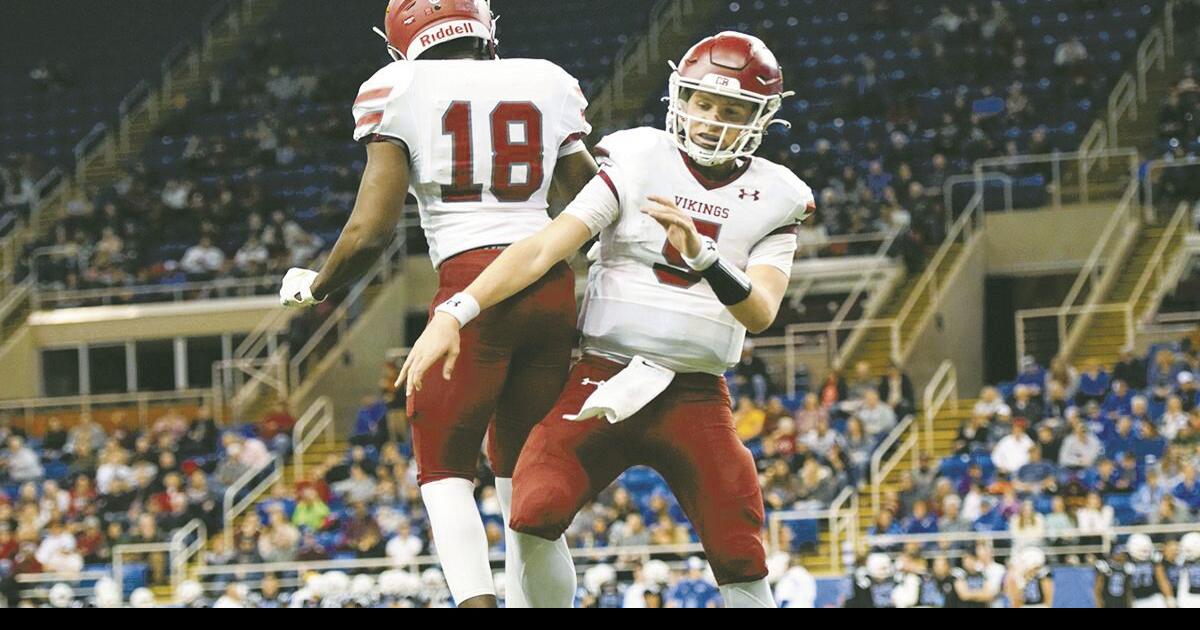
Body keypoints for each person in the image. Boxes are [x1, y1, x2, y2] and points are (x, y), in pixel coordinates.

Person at [398, 31, 813, 608]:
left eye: (732, 109)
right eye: (702, 102)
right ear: (680, 98)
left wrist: (705, 258)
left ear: (761, 116)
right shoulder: (637, 158)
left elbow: (761, 311)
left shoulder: (776, 196)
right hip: (601, 376)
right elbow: (543, 248)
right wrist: (456, 309)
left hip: (693, 393)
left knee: (738, 547)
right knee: (534, 505)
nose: (712, 119)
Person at [277, 0, 597, 608]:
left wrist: (318, 285)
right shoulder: (548, 79)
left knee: (445, 476)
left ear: (403, 39)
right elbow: (589, 198)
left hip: (472, 286)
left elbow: (371, 231)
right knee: (523, 488)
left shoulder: (398, 87)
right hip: (551, 282)